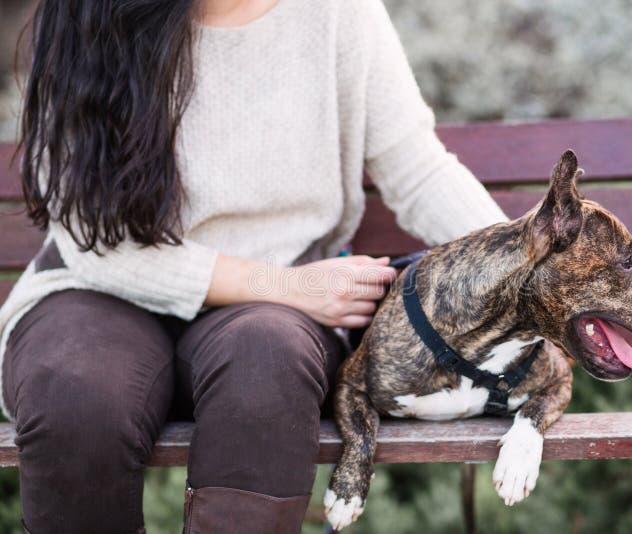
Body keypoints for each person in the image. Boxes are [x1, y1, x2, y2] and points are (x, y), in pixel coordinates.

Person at [0, 0, 508, 532]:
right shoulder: (90, 13)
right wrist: (285, 285)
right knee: (77, 391)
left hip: (271, 312)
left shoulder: (339, 13)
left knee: (267, 364)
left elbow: (419, 170)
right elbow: (91, 242)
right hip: (100, 286)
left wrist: (523, 273)